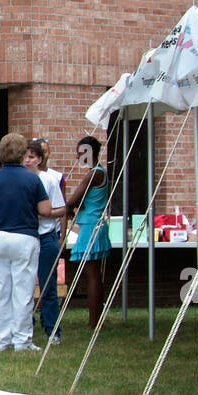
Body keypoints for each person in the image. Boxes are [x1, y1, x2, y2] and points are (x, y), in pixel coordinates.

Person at [0, 133, 55, 353]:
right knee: (23, 290)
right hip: (25, 237)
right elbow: (45, 210)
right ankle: (22, 340)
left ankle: (1, 340)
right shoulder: (33, 179)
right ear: (22, 153)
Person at [23, 139, 67, 343]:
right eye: (24, 156)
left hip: (46, 236)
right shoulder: (20, 180)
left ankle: (52, 331)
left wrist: (45, 214)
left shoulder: (49, 180)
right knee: (24, 286)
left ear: (40, 159)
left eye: (31, 157)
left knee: (48, 286)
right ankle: (25, 328)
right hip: (25, 237)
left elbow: (62, 209)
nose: (27, 160)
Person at [66, 135, 111, 329]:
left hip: (91, 226)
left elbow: (73, 200)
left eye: (80, 153)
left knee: (92, 273)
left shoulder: (93, 174)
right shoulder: (100, 173)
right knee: (93, 273)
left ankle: (94, 323)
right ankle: (95, 320)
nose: (78, 158)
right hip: (95, 224)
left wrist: (70, 207)